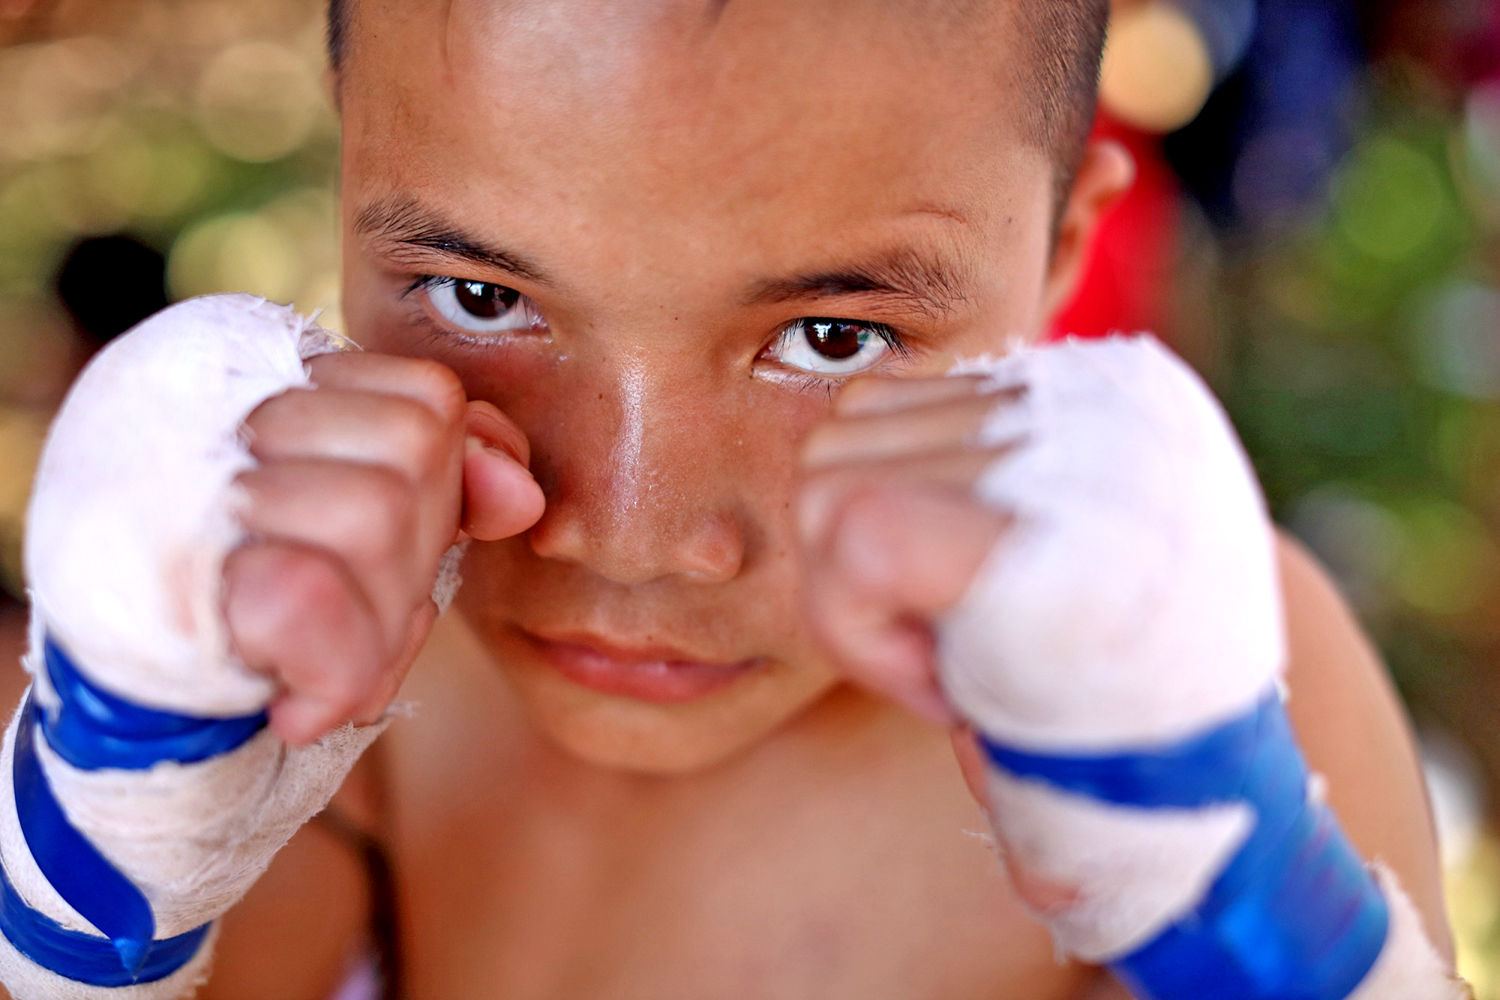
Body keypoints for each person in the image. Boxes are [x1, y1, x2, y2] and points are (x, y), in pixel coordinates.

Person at [5, 2, 1456, 998]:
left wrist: (1276, 928)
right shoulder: (313, 639)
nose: (633, 536)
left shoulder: (1211, 672)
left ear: (1062, 257)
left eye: (833, 337)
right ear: (352, 173)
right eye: (478, 295)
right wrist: (100, 840)